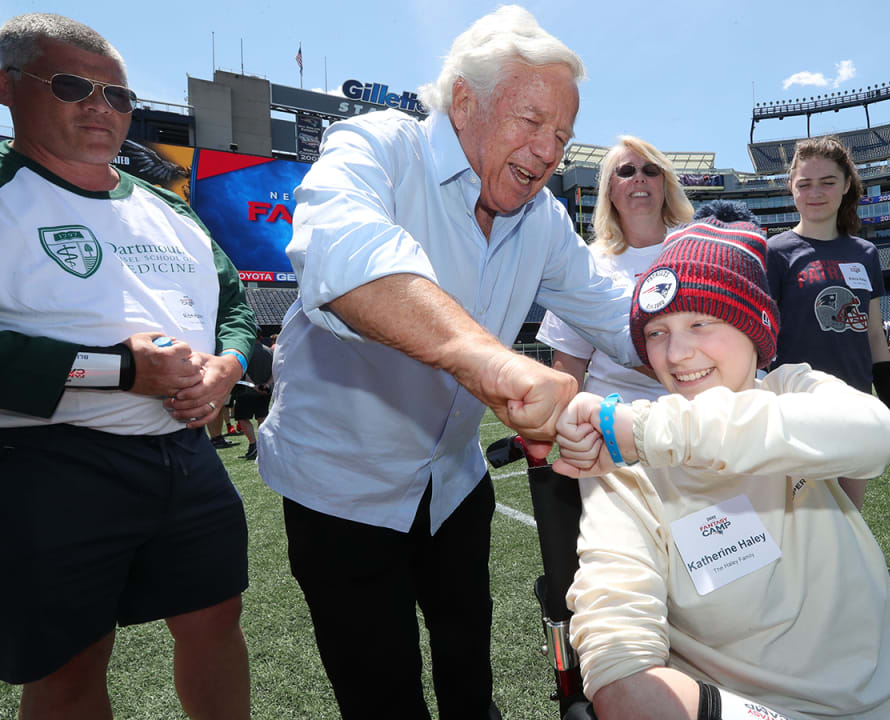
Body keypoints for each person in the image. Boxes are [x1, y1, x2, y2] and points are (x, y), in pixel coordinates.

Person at [255, 7, 643, 718]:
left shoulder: (543, 218)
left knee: (470, 670)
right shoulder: (377, 146)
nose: (549, 151)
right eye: (532, 122)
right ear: (465, 100)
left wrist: (719, 348)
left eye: (562, 135)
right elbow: (346, 254)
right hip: (343, 491)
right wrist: (488, 362)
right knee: (381, 695)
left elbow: (615, 310)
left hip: (455, 481)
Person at [553, 208, 890, 720]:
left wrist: (651, 431)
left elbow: (876, 434)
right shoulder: (624, 474)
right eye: (656, 334)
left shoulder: (793, 391)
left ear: (753, 329)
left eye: (699, 322)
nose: (677, 354)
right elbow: (621, 672)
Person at [0, 13, 253, 718]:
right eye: (75, 85)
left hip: (185, 458)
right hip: (49, 461)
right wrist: (115, 371)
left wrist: (228, 368)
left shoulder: (168, 206)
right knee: (68, 665)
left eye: (118, 95)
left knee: (216, 622)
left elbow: (234, 302)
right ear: (8, 88)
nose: (100, 106)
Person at [767, 136, 890, 509]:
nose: (816, 193)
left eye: (827, 182)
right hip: (797, 405)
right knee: (798, 518)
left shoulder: (865, 253)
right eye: (804, 183)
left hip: (855, 400)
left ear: (845, 186)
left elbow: (874, 334)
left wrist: (887, 402)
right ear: (792, 189)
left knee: (850, 514)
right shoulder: (775, 252)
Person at [536, 136, 692, 402]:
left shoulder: (697, 249)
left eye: (651, 170)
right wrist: (571, 435)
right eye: (626, 171)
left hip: (692, 419)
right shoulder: (585, 263)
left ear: (665, 184)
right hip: (610, 424)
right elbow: (570, 361)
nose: (639, 178)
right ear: (609, 189)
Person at [231, 338, 273, 460]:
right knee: (262, 417)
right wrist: (267, 385)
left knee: (242, 418)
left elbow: (243, 370)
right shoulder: (270, 352)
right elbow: (275, 371)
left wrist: (253, 386)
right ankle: (263, 445)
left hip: (246, 391)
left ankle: (253, 444)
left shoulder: (245, 352)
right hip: (265, 391)